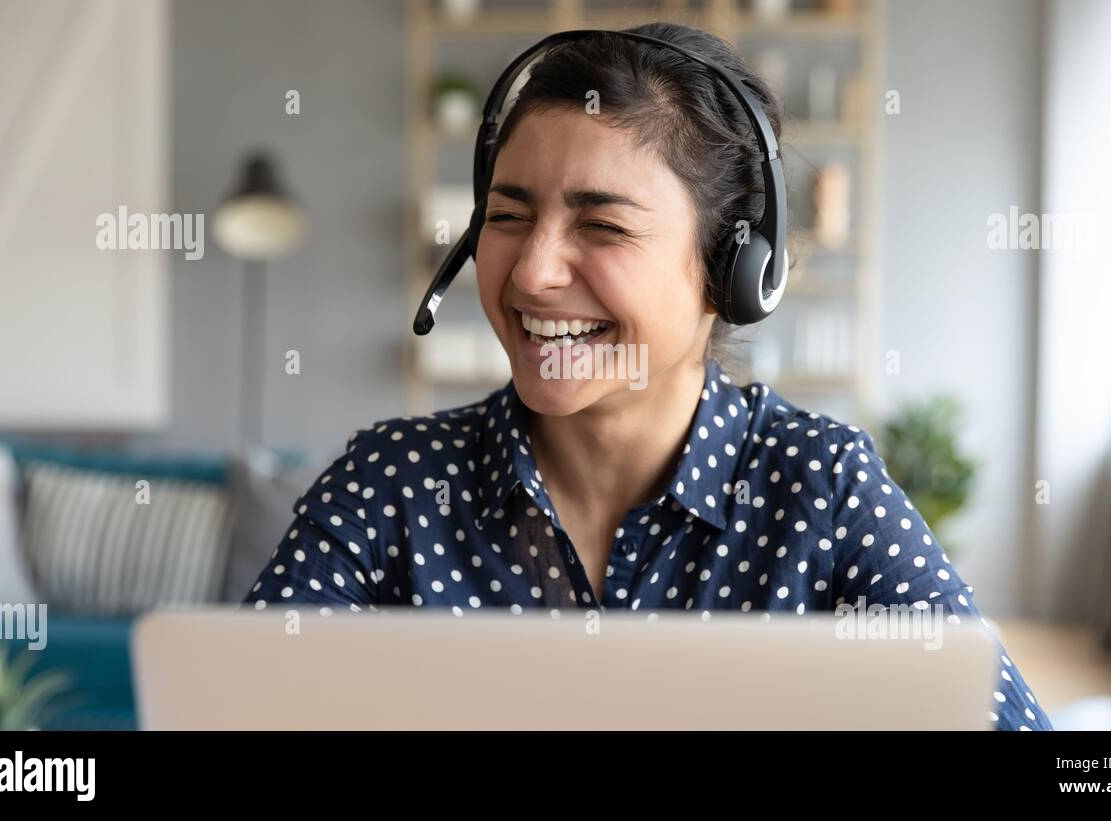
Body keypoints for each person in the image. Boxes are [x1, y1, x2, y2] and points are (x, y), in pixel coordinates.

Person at [243, 22, 1052, 731]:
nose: (532, 271)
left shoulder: (823, 489)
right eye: (507, 215)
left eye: (601, 225)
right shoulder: (392, 482)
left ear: (731, 269)